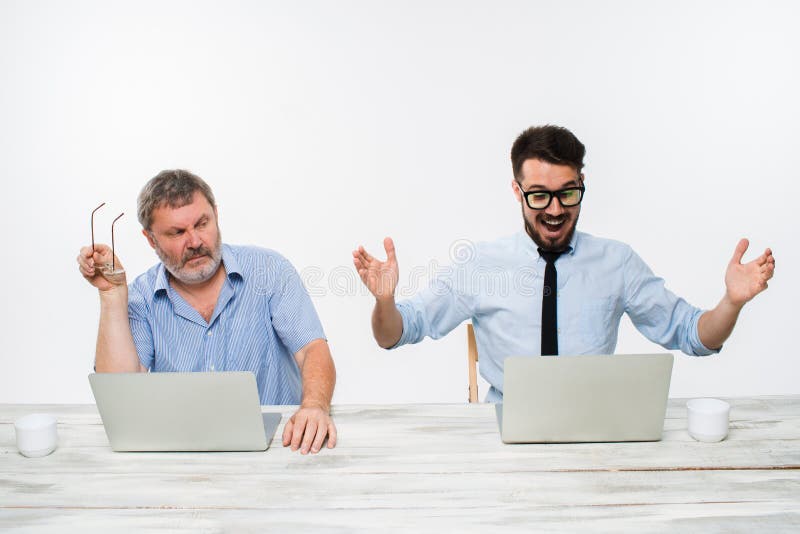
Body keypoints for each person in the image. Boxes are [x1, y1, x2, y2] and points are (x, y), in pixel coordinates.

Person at [353, 125, 775, 402]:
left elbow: (692, 334)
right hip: (505, 428)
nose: (554, 210)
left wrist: (731, 302)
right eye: (539, 195)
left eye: (567, 193)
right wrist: (385, 302)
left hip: (595, 428)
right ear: (517, 193)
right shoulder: (482, 265)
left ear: (582, 185)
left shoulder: (617, 262)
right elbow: (396, 333)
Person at [78, 170, 336, 454]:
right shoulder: (142, 297)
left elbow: (312, 349)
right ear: (150, 239)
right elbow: (121, 396)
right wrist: (112, 294)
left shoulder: (269, 271)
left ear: (215, 214)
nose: (195, 242)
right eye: (177, 232)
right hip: (181, 453)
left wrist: (314, 406)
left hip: (280, 447)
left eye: (202, 224)